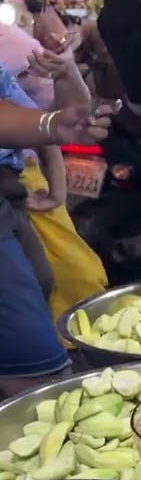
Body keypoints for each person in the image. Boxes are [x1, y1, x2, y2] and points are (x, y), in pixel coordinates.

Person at [0, 70, 110, 382]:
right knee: (34, 356)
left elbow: (28, 116)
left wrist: (52, 125)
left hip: (10, 190)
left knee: (41, 283)